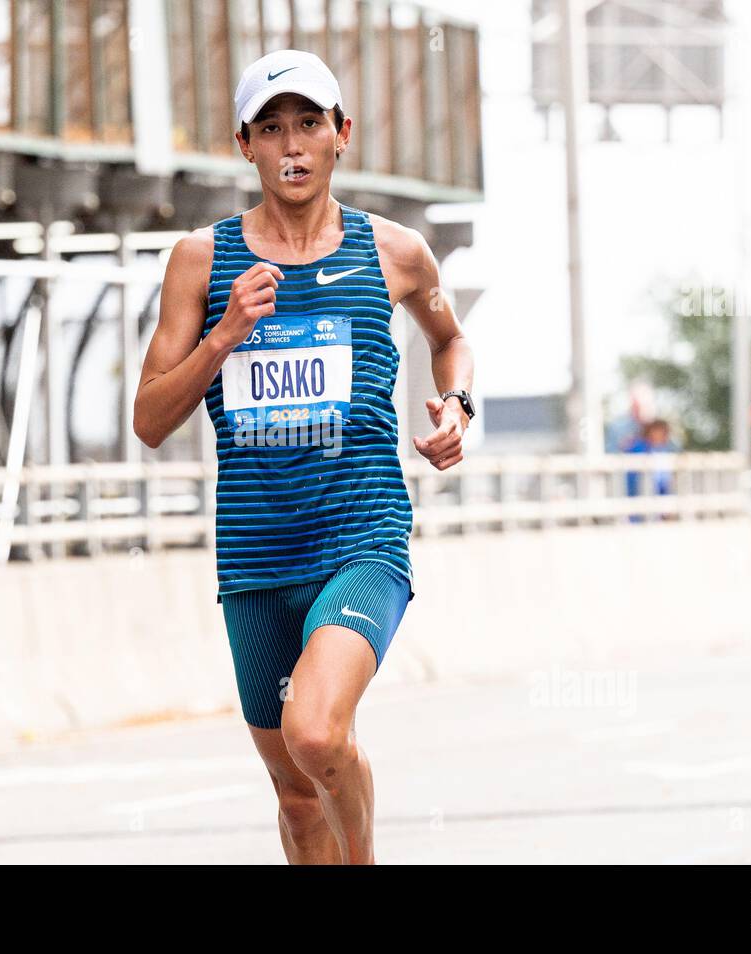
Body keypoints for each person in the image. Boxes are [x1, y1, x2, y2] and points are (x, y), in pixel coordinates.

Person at [133, 49, 474, 865]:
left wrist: (457, 405)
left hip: (362, 538)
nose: (292, 144)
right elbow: (149, 418)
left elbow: (449, 337)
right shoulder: (200, 260)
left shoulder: (395, 253)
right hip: (256, 555)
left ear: (340, 135)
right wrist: (222, 337)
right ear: (243, 143)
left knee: (317, 733)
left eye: (309, 123)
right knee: (293, 797)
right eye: (272, 127)